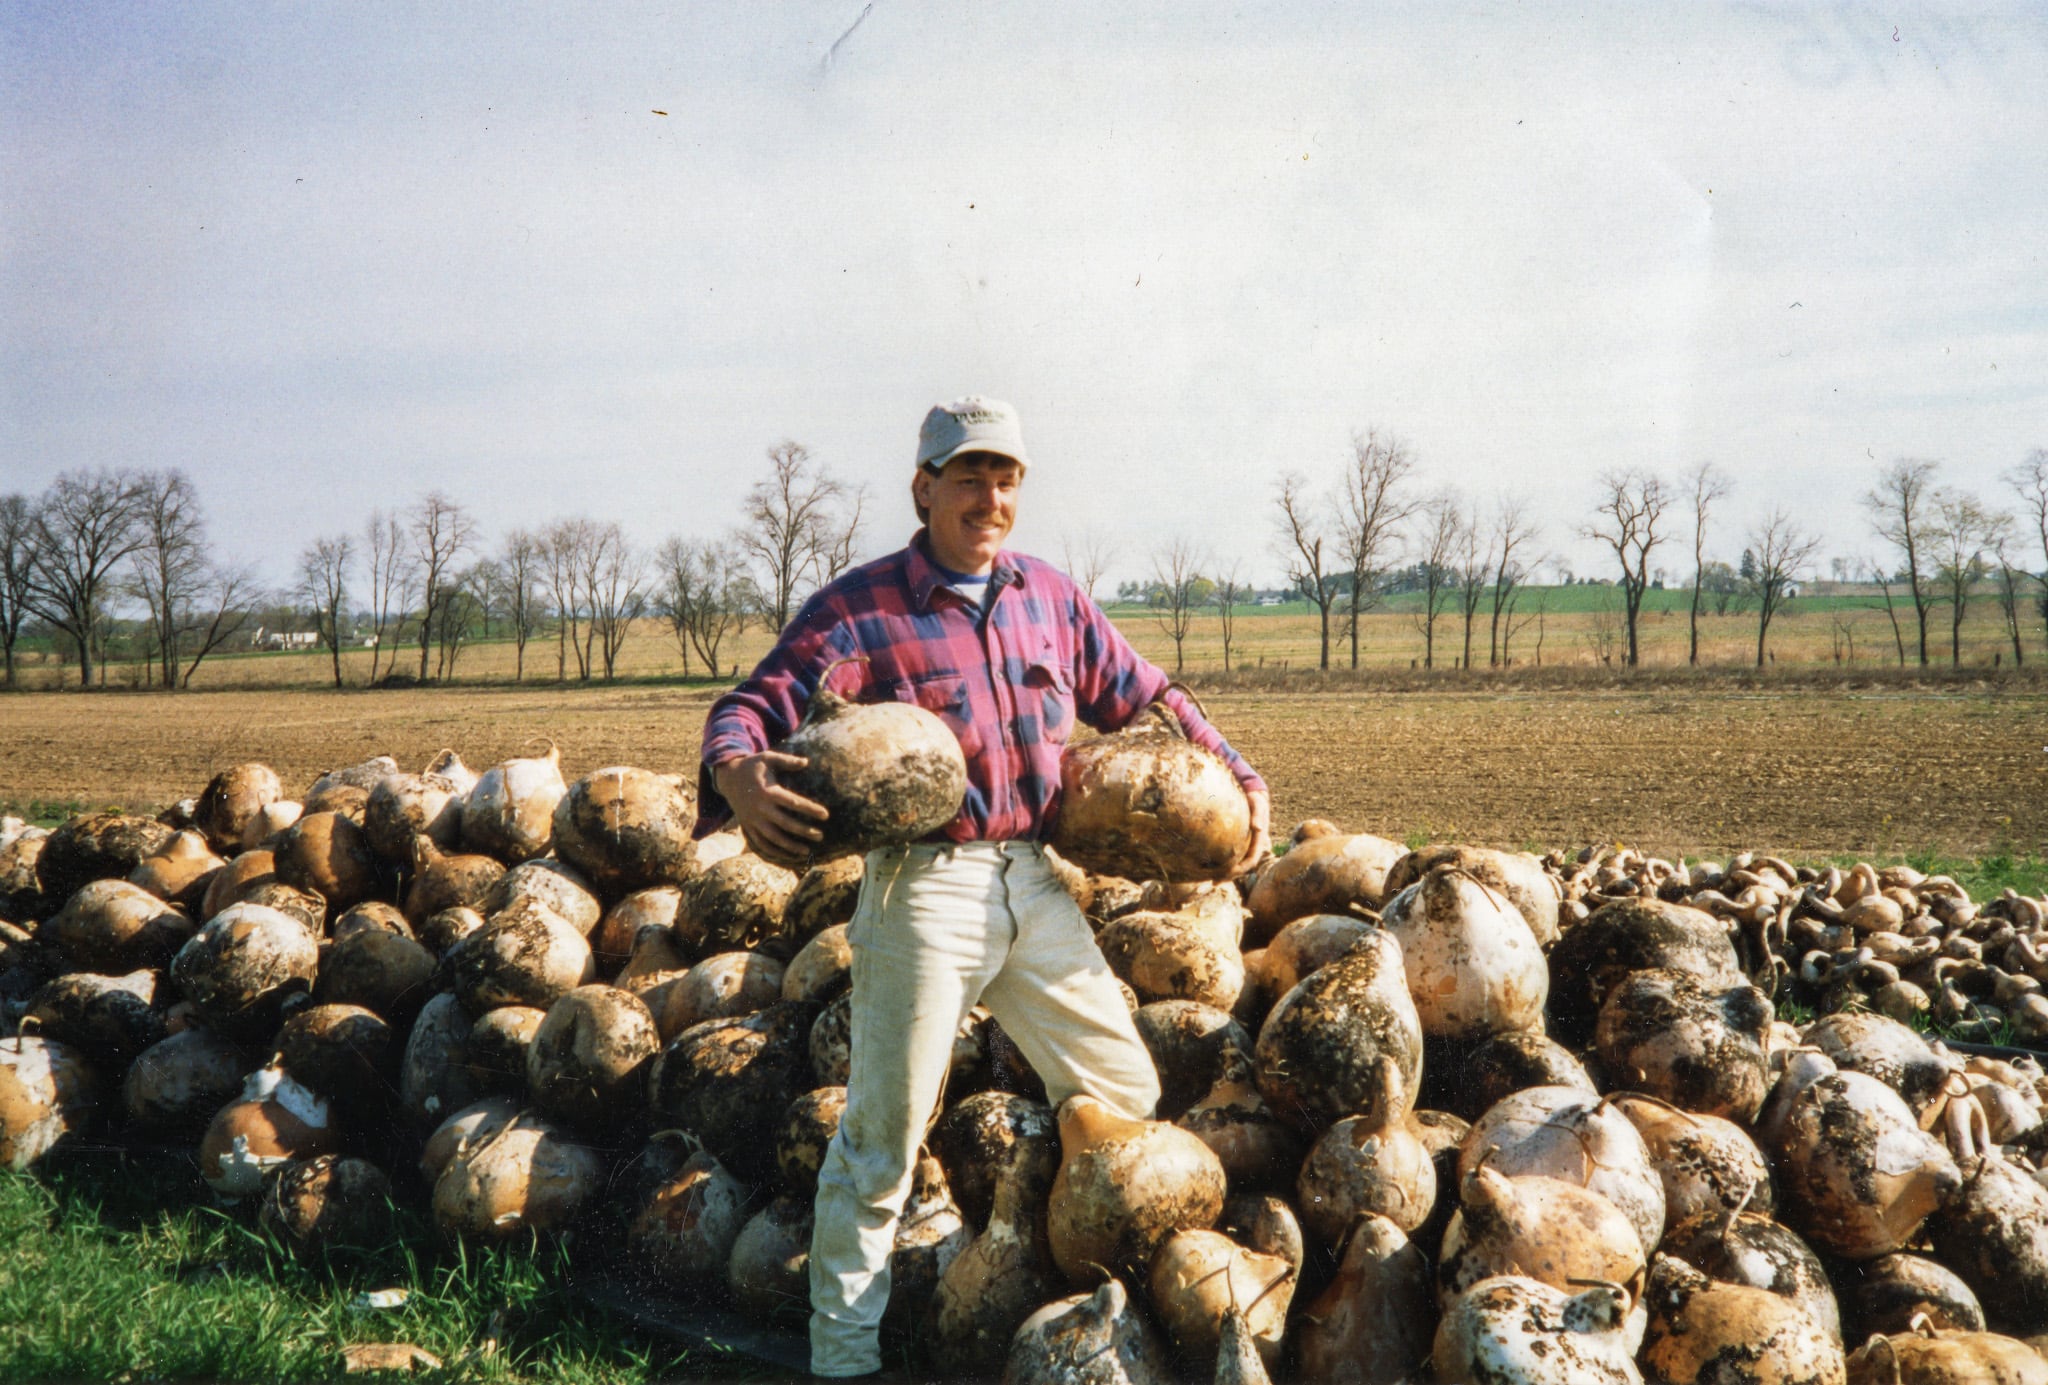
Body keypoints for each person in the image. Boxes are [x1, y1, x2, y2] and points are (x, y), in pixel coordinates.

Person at [696, 396, 1270, 1379]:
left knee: (1120, 1085)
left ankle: (1057, 1288)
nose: (989, 495)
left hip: (1033, 881)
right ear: (922, 488)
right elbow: (751, 706)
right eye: (967, 476)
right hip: (923, 890)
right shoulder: (861, 608)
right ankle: (842, 1356)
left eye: (1005, 478)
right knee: (884, 1130)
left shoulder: (1046, 594)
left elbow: (1149, 696)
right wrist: (740, 773)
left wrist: (1238, 775)